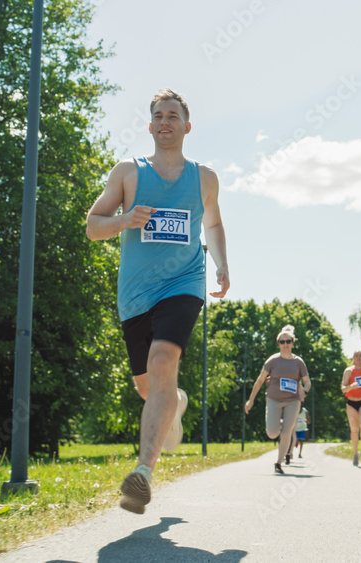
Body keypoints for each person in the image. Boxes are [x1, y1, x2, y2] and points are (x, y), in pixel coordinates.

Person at [86, 88, 230, 514]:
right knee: (150, 387)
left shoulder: (204, 178)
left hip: (184, 283)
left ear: (187, 125)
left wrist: (221, 264)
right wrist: (124, 219)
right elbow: (93, 226)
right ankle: (176, 403)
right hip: (135, 295)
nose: (165, 121)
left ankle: (142, 475)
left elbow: (215, 222)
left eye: (173, 115)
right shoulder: (129, 172)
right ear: (150, 126)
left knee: (164, 362)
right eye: (158, 116)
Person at [245, 325, 312, 474]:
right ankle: (280, 424)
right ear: (278, 344)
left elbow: (307, 382)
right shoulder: (273, 360)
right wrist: (251, 400)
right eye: (282, 342)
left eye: (288, 341)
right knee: (272, 433)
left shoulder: (299, 362)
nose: (285, 344)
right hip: (274, 399)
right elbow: (260, 380)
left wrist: (304, 392)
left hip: (293, 401)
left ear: (293, 343)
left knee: (287, 432)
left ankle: (279, 462)